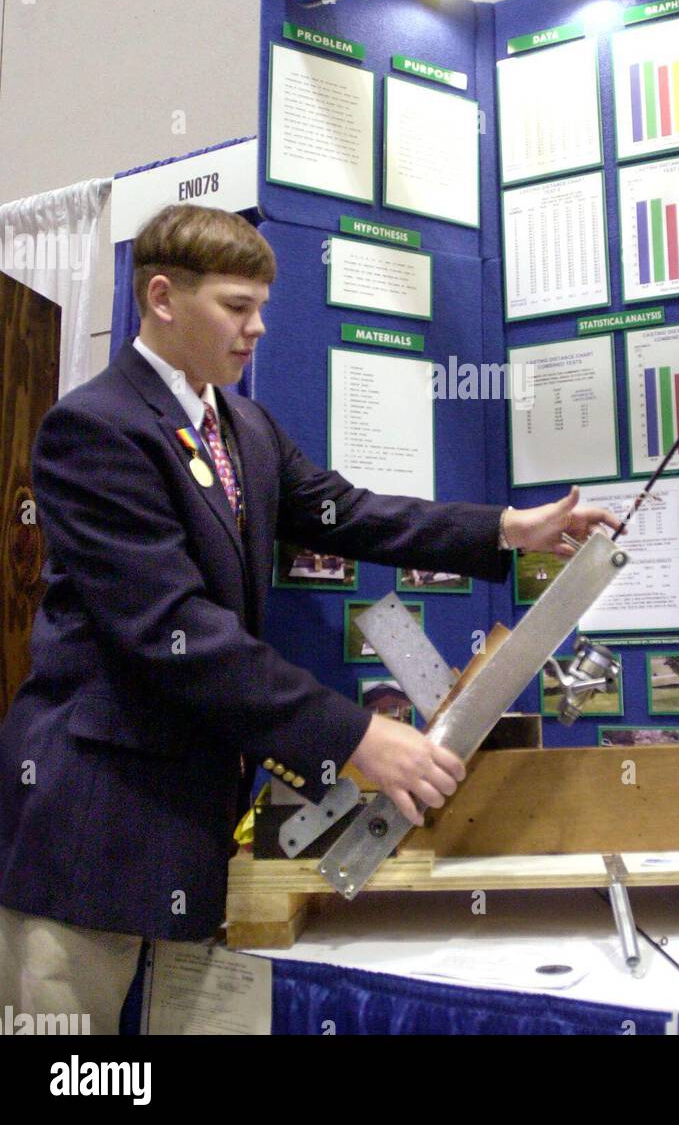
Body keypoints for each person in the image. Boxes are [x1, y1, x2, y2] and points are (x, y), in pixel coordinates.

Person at [0, 204, 619, 1032]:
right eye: (235, 306)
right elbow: (171, 629)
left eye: (262, 306)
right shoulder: (95, 427)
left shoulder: (241, 424)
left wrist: (508, 529)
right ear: (160, 297)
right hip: (92, 824)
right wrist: (357, 736)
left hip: (192, 826)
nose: (256, 329)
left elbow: (349, 513)